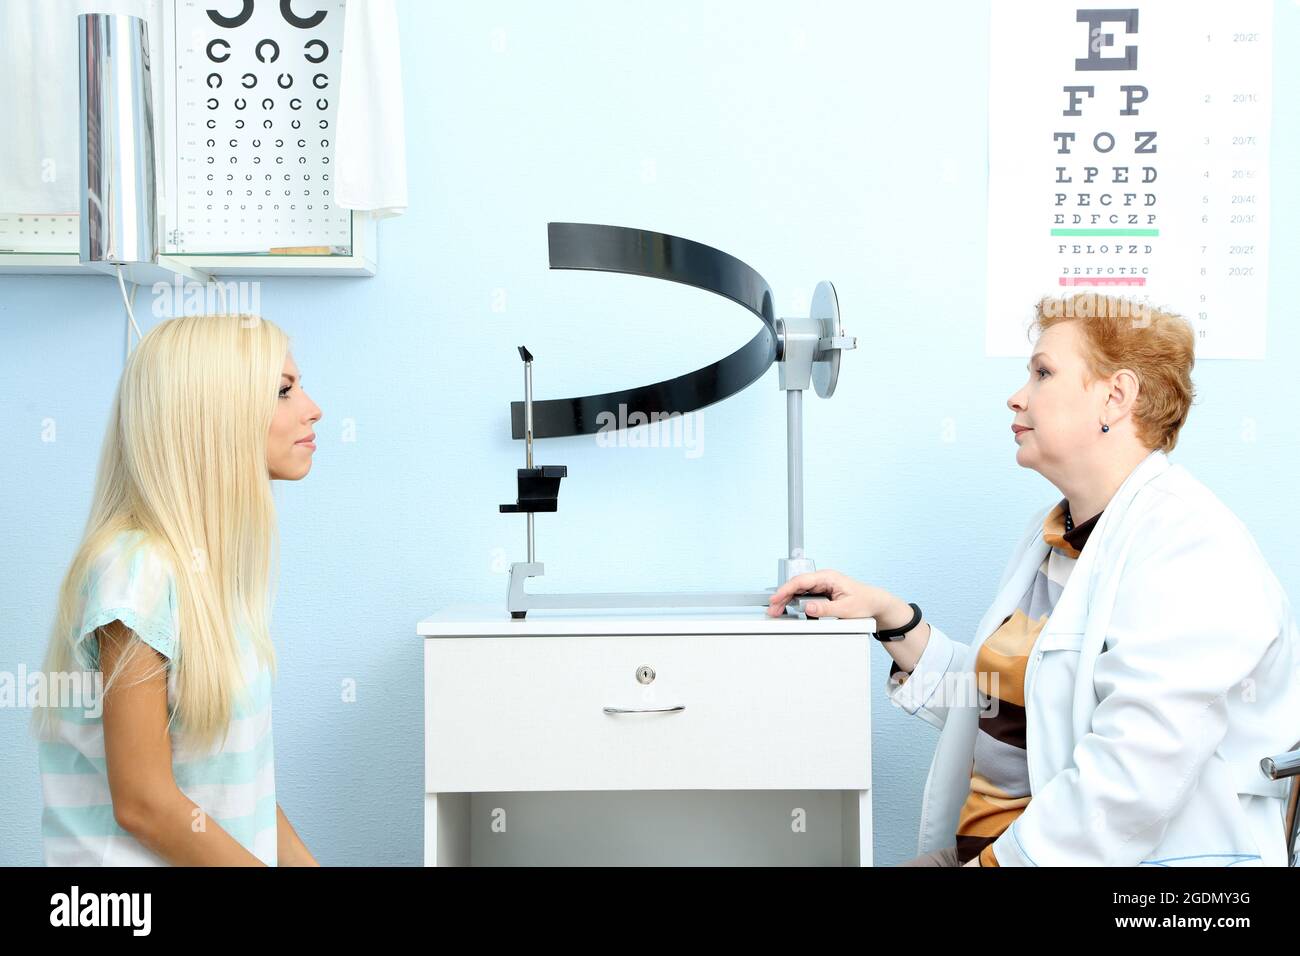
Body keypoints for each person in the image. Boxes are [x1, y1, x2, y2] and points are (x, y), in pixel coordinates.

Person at [769, 292, 1300, 866]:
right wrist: (892, 617)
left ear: (1116, 397)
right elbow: (1020, 707)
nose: (1017, 396)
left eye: (1043, 373)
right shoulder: (1058, 535)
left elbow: (1130, 783)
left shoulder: (1191, 547)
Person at [32, 313, 323, 866]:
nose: (312, 408)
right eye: (283, 392)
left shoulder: (208, 573)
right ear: (213, 417)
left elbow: (236, 788)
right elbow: (145, 804)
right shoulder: (135, 571)